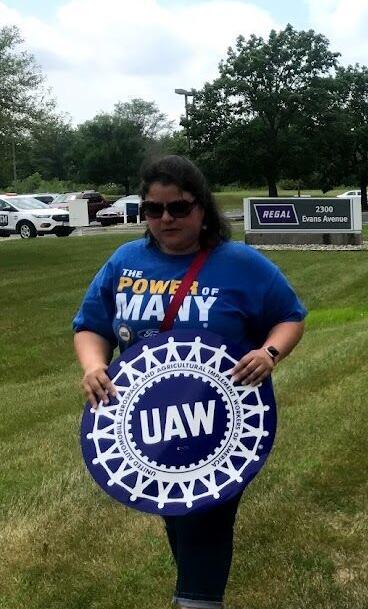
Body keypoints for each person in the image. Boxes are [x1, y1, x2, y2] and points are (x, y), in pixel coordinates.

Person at [72, 155, 307, 609]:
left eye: (178, 208)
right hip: (149, 427)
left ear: (202, 209)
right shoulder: (125, 261)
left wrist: (270, 352)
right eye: (152, 209)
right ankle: (194, 593)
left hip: (223, 424)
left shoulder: (240, 264)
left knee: (206, 519)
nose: (164, 218)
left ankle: (196, 600)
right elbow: (91, 325)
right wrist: (92, 365)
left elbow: (290, 317)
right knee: (178, 517)